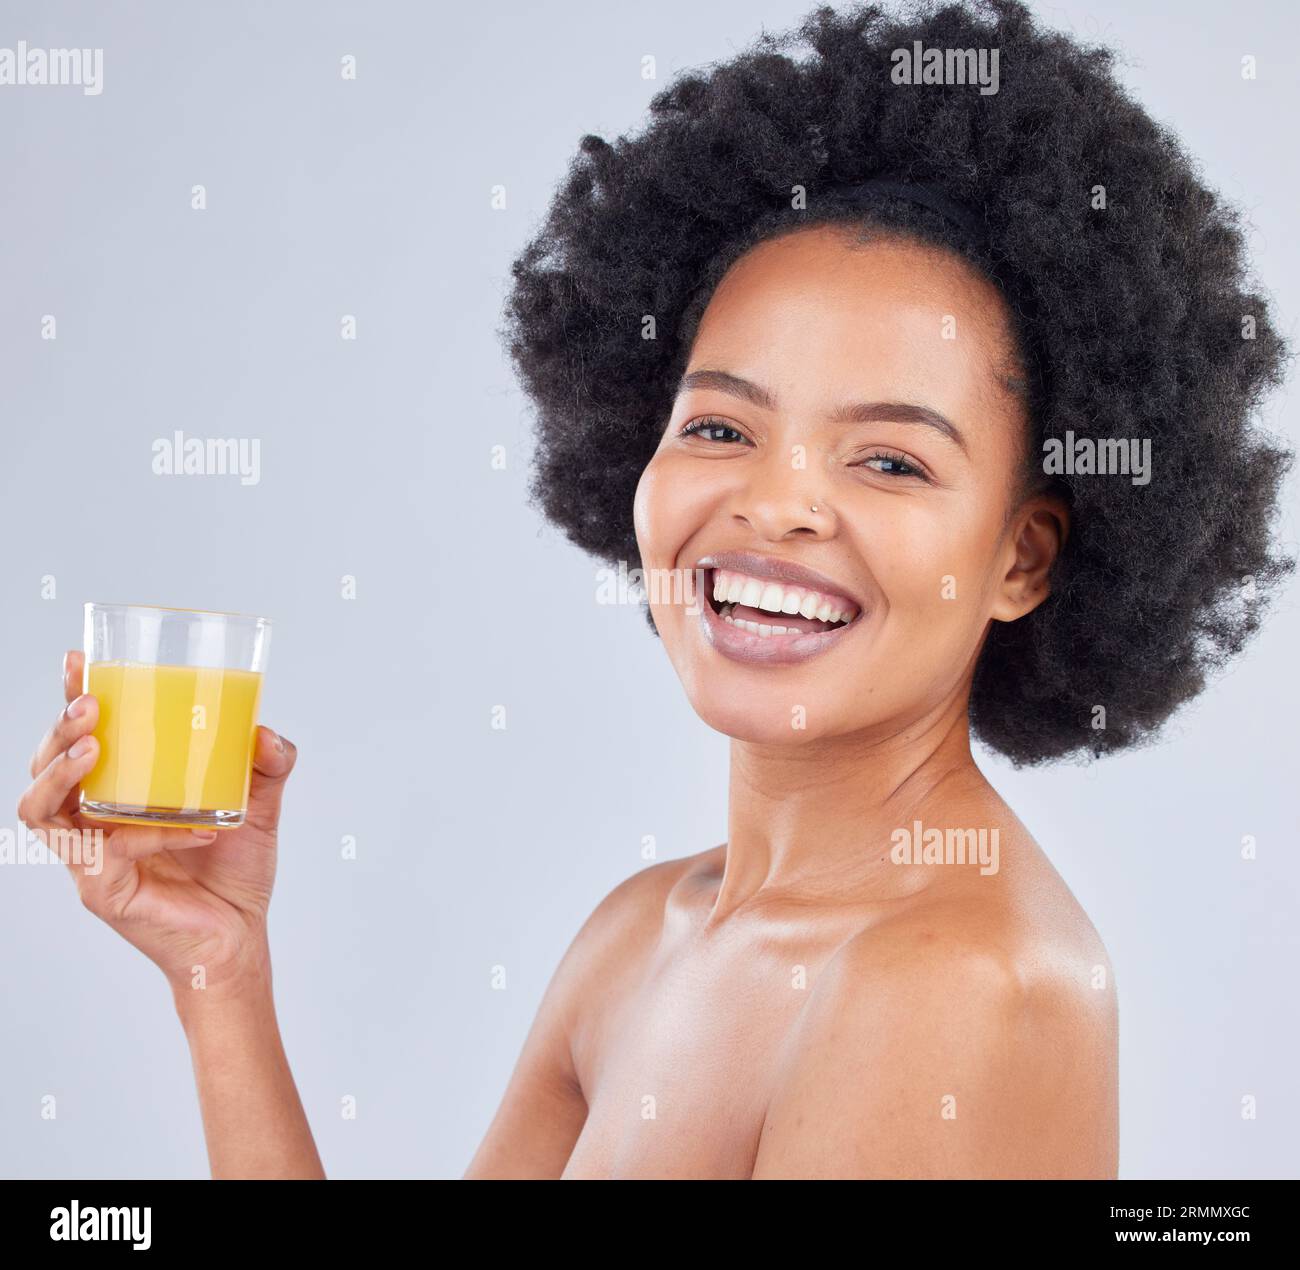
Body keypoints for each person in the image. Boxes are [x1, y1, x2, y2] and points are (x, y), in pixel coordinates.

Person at [19, 0, 1289, 1178]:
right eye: (722, 428)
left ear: (1023, 556)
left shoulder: (957, 984)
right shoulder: (643, 930)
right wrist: (218, 973)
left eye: (890, 457)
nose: (778, 502)